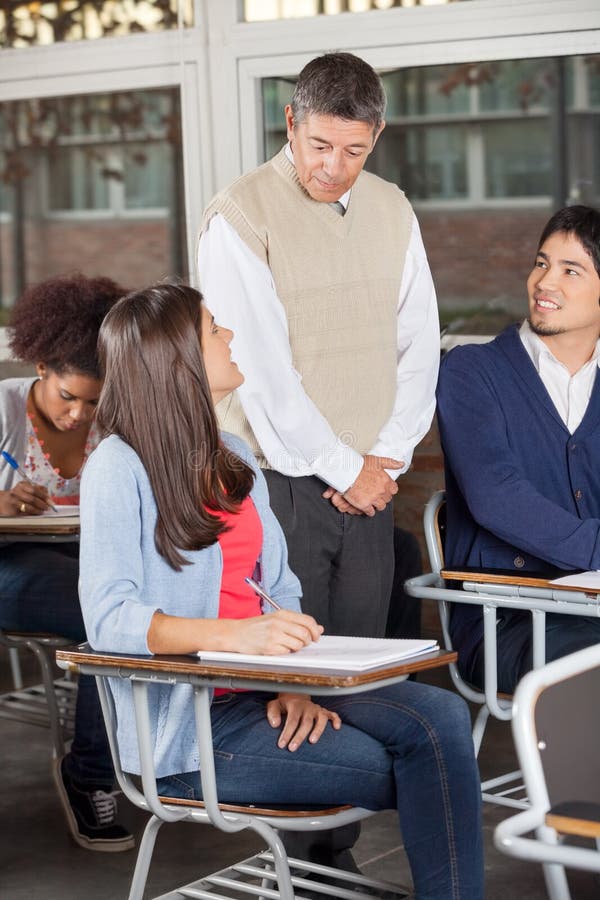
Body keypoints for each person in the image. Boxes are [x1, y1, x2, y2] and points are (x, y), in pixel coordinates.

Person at [78, 282, 483, 900]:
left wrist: (292, 683)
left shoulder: (234, 456)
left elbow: (281, 588)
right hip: (194, 727)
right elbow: (109, 618)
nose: (232, 336)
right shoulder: (118, 465)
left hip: (266, 689)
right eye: (215, 328)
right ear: (177, 356)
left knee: (442, 718)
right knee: (410, 761)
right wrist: (239, 638)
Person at [198, 53, 439, 870]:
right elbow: (261, 371)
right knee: (291, 680)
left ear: (377, 140)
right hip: (281, 486)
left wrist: (387, 457)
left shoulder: (393, 210)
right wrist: (348, 467)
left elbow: (419, 345)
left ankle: (330, 857)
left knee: (355, 674)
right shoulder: (238, 214)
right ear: (291, 123)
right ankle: (292, 863)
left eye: (355, 152)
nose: (333, 169)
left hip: (371, 485)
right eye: (320, 146)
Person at [437, 204, 600, 694]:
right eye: (542, 262)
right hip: (505, 622)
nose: (546, 282)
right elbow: (496, 496)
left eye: (572, 270)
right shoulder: (471, 372)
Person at [0, 273, 132, 852]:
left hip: (85, 561)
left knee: (139, 605)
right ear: (40, 371)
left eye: (94, 401)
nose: (79, 415)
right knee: (102, 614)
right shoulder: (2, 410)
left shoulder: (117, 424)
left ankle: (163, 762)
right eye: (67, 396)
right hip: (11, 567)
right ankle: (91, 776)